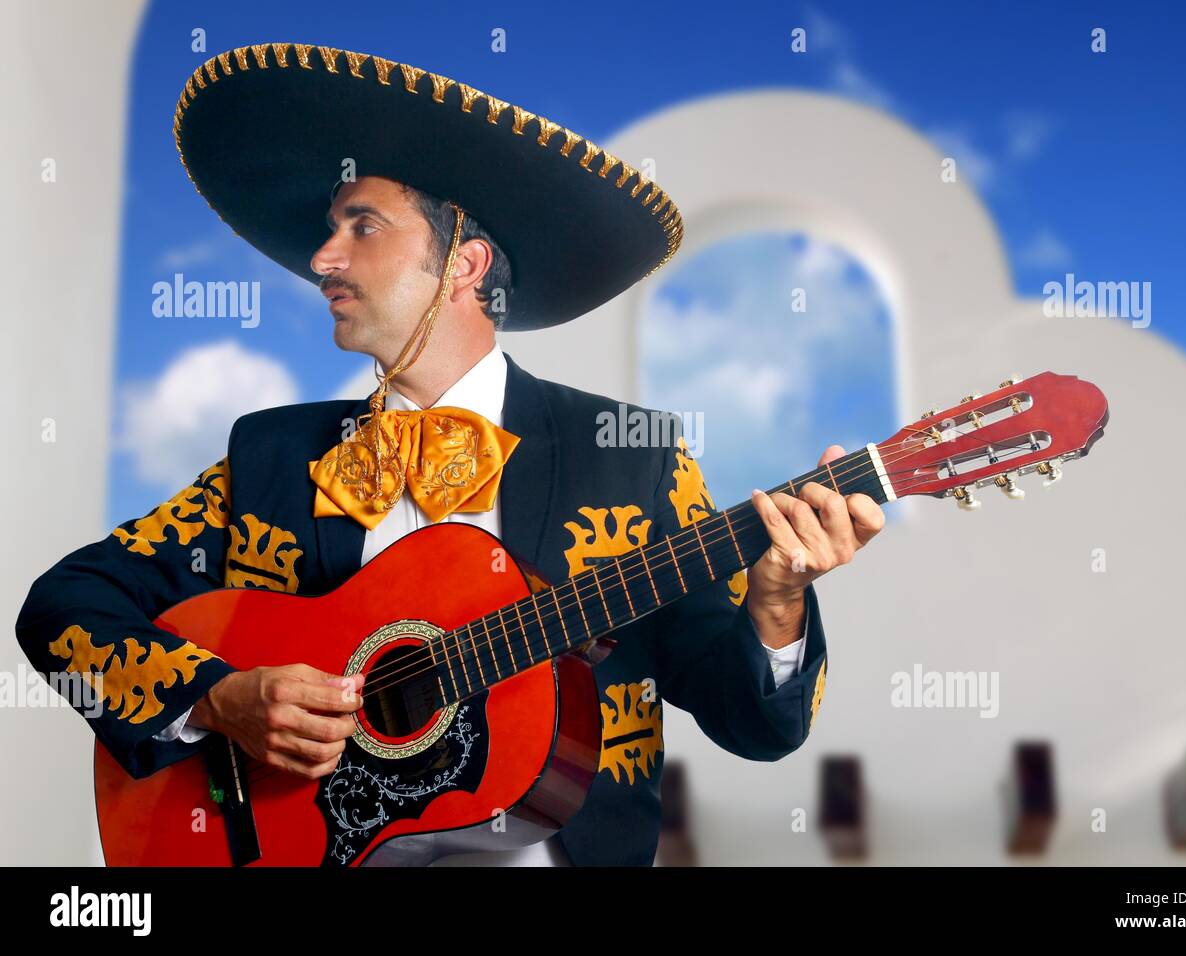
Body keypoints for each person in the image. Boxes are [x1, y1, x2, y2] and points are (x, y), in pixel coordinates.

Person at [15, 42, 885, 866]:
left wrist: (776, 608)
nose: (323, 258)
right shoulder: (272, 455)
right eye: (330, 230)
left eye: (362, 226)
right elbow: (59, 607)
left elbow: (758, 728)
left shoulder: (636, 459)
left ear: (464, 264)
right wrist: (217, 698)